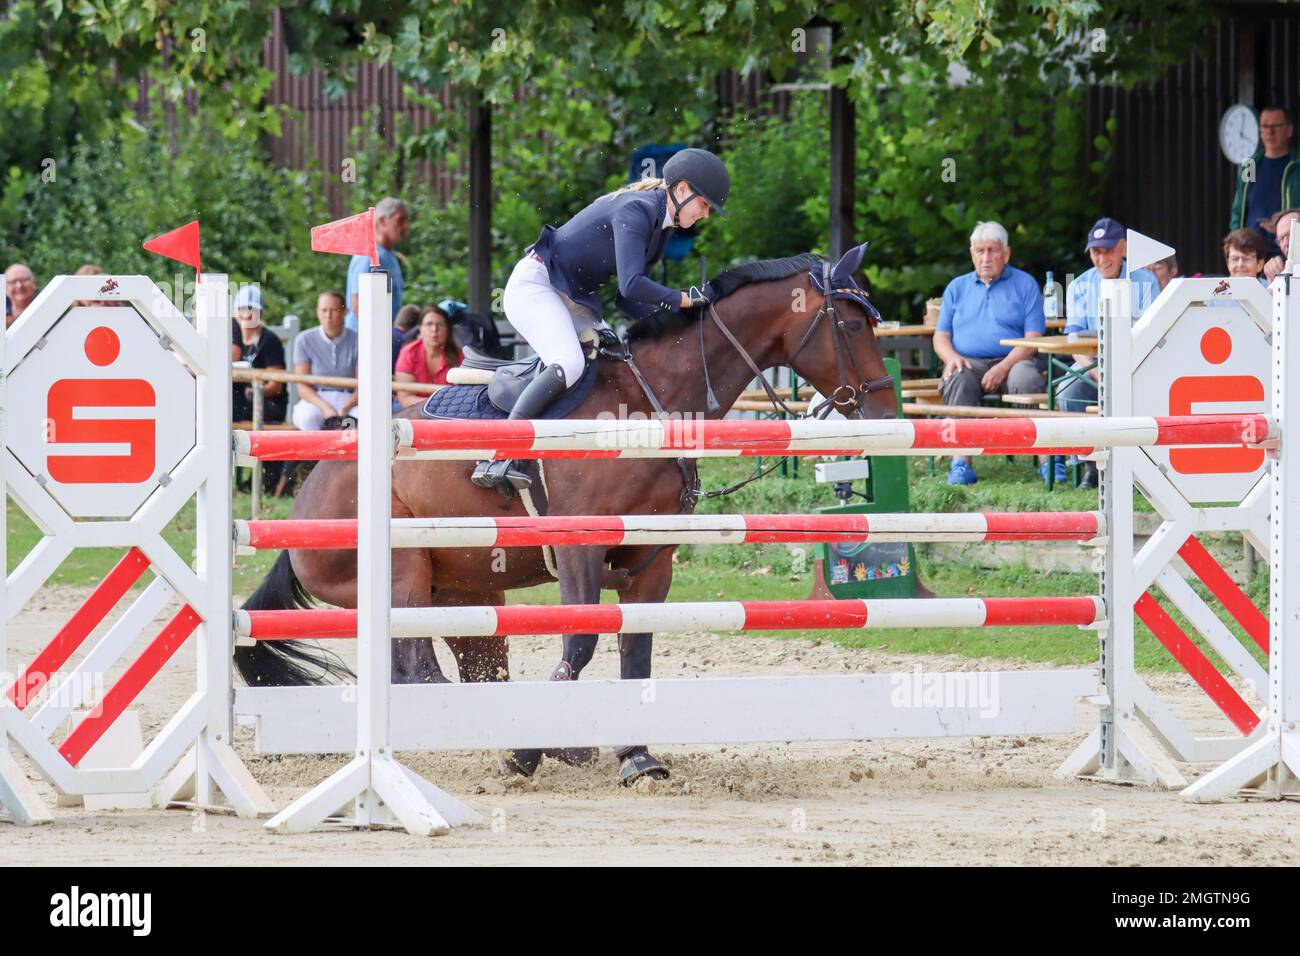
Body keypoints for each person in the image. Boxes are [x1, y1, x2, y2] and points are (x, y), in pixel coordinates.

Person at [470, 146, 729, 495]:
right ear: (682, 190)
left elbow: (626, 300)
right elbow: (632, 284)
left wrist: (674, 323)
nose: (706, 215)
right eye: (705, 204)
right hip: (537, 285)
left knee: (614, 355)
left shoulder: (660, 224)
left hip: (571, 296)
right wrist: (681, 299)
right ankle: (500, 455)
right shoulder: (636, 210)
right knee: (569, 362)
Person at [933, 221, 1046, 486]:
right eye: (980, 251)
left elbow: (1032, 341)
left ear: (1006, 253)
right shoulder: (956, 288)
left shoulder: (1025, 284)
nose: (986, 258)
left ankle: (1046, 460)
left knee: (1027, 380)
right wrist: (951, 358)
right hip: (969, 362)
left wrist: (1003, 367)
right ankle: (961, 462)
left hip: (1015, 360)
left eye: (992, 251)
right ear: (971, 253)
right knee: (957, 375)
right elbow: (940, 337)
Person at [1059, 218, 1161, 488]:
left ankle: (1143, 469)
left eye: (1108, 250)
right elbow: (1074, 341)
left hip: (1137, 368)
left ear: (1123, 248)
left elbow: (1150, 333)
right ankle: (1091, 467)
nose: (1102, 258)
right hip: (1092, 368)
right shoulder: (1079, 285)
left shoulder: (1147, 280)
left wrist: (1120, 372)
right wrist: (1097, 373)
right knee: (1068, 393)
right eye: (1096, 251)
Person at [1229, 105, 1299, 254]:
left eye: (1276, 126)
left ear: (1289, 130)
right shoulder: (1251, 165)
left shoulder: (1296, 165)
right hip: (1251, 254)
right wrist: (1234, 241)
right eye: (1265, 126)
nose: (1270, 132)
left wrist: (1280, 223)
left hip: (1286, 253)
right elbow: (1239, 208)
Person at [291, 291, 360, 430]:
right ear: (317, 312)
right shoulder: (304, 339)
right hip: (315, 397)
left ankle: (355, 452)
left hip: (350, 398)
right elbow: (302, 386)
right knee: (307, 418)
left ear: (344, 312)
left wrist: (345, 408)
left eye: (334, 310)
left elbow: (362, 385)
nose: (328, 316)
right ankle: (311, 452)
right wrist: (326, 408)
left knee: (363, 420)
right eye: (324, 310)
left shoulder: (358, 339)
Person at [344, 197, 409, 332]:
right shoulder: (368, 255)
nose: (406, 226)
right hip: (364, 342)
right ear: (382, 221)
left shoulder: (389, 255)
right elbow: (358, 305)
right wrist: (377, 343)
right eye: (400, 220)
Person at [231, 285, 287, 423]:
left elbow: (276, 385)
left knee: (234, 404)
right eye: (241, 308)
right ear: (234, 311)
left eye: (252, 309)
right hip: (239, 399)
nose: (246, 314)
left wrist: (253, 392)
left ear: (260, 313)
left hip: (267, 401)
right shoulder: (231, 338)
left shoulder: (269, 340)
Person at [394, 306, 462, 408]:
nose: (434, 329)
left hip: (447, 412)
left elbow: (461, 397)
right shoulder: (408, 353)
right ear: (420, 329)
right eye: (429, 324)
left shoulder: (460, 355)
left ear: (448, 330)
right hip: (413, 408)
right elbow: (405, 398)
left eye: (440, 324)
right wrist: (437, 406)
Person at [1263, 208, 1300, 282]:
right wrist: (1274, 281)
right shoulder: (1283, 270)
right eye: (1281, 239)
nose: (1286, 243)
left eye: (1290, 234)